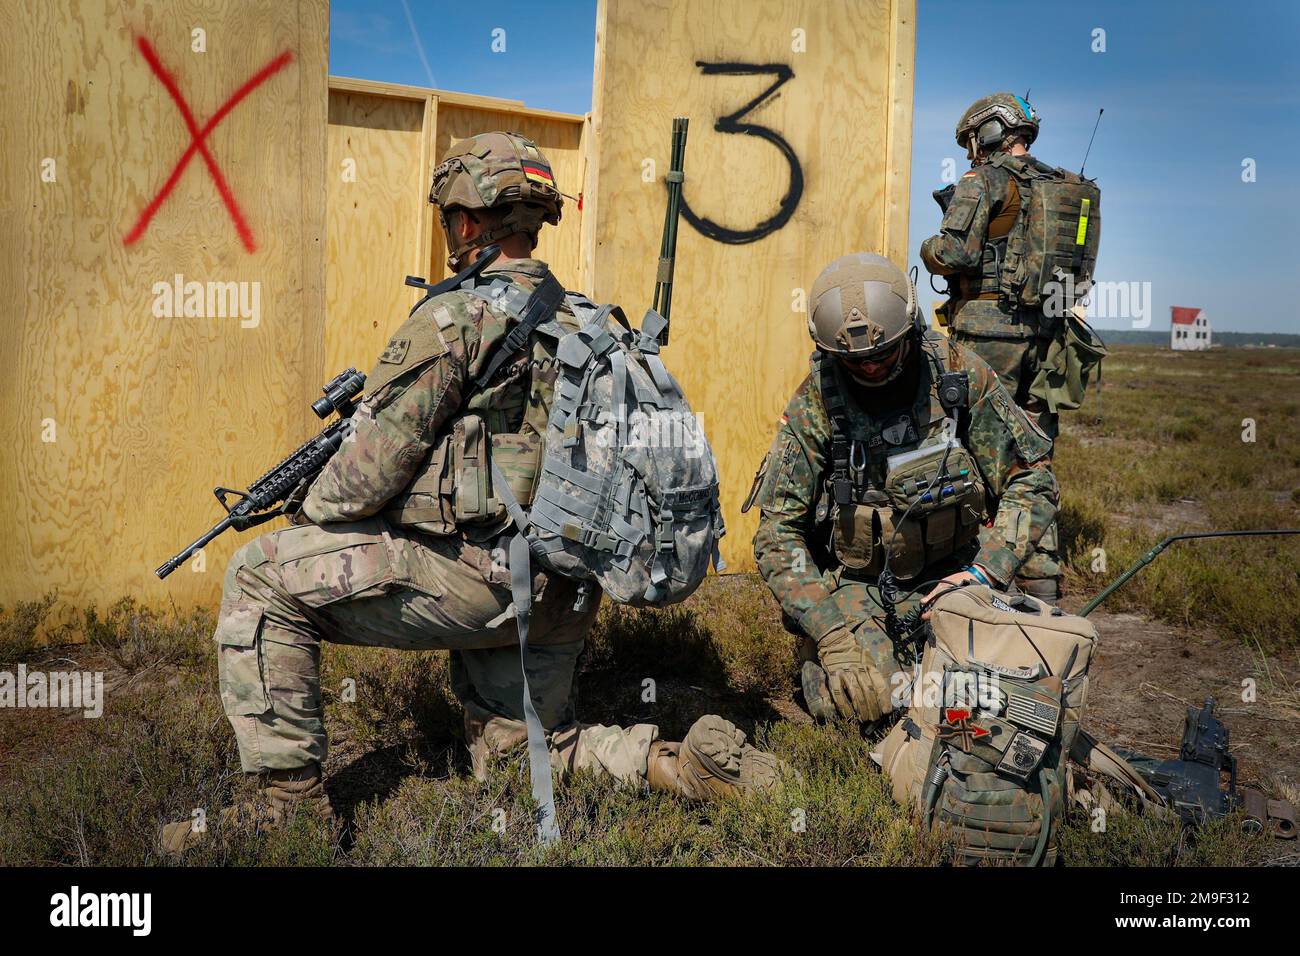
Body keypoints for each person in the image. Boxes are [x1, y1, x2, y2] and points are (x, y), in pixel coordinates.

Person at [163, 132, 780, 852]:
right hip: (565, 589)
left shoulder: (456, 316)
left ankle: (284, 812)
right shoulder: (587, 319)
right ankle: (680, 769)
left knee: (259, 576)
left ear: (466, 220)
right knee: (525, 763)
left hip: (481, 584)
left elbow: (363, 477)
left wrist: (308, 508)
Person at [749, 252, 1059, 725]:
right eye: (854, 362)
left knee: (1007, 699)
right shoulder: (817, 400)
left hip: (956, 575)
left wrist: (986, 572)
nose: (870, 369)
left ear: (910, 329)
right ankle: (823, 659)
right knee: (861, 702)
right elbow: (777, 533)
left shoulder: (957, 374)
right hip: (862, 586)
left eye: (883, 355)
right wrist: (831, 636)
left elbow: (1031, 478)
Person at [920, 92, 1083, 601]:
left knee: (980, 450)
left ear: (989, 132)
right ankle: (1042, 583)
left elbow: (952, 252)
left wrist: (928, 247)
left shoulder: (985, 181)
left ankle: (979, 575)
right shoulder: (1062, 188)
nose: (971, 152)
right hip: (1053, 333)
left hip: (991, 334)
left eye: (973, 140)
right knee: (1033, 454)